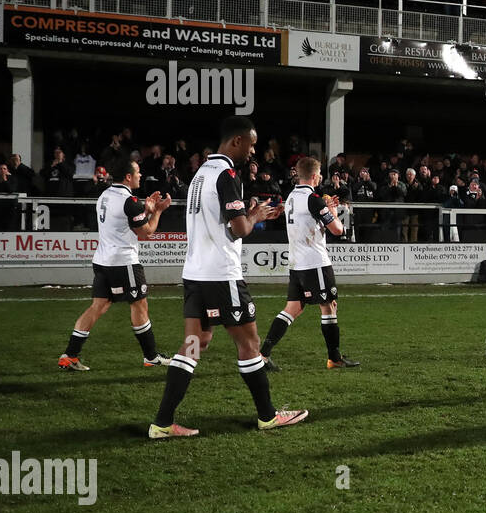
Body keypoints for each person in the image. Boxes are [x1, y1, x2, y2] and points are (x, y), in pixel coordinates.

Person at [148, 116, 309, 438]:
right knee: (249, 344)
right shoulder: (227, 174)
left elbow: (219, 217)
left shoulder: (200, 174)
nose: (253, 152)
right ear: (236, 141)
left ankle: (162, 423)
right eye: (251, 145)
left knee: (196, 343)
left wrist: (249, 212)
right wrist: (255, 215)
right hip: (222, 276)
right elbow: (239, 229)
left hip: (195, 274)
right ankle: (268, 416)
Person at [57, 161, 173, 371]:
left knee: (98, 306)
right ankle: (151, 357)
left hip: (102, 260)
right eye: (137, 172)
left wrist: (144, 211)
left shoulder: (105, 195)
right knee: (139, 306)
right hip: (123, 262)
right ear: (128, 177)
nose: (140, 174)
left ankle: (69, 356)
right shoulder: (130, 201)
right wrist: (157, 211)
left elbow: (124, 223)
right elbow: (146, 233)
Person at [260, 156, 360, 371]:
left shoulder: (291, 197)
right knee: (329, 306)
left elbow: (310, 219)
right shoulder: (313, 198)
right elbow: (338, 230)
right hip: (315, 263)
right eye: (320, 174)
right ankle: (334, 358)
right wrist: (332, 211)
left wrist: (324, 207)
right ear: (315, 176)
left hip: (297, 263)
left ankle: (262, 356)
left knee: (292, 308)